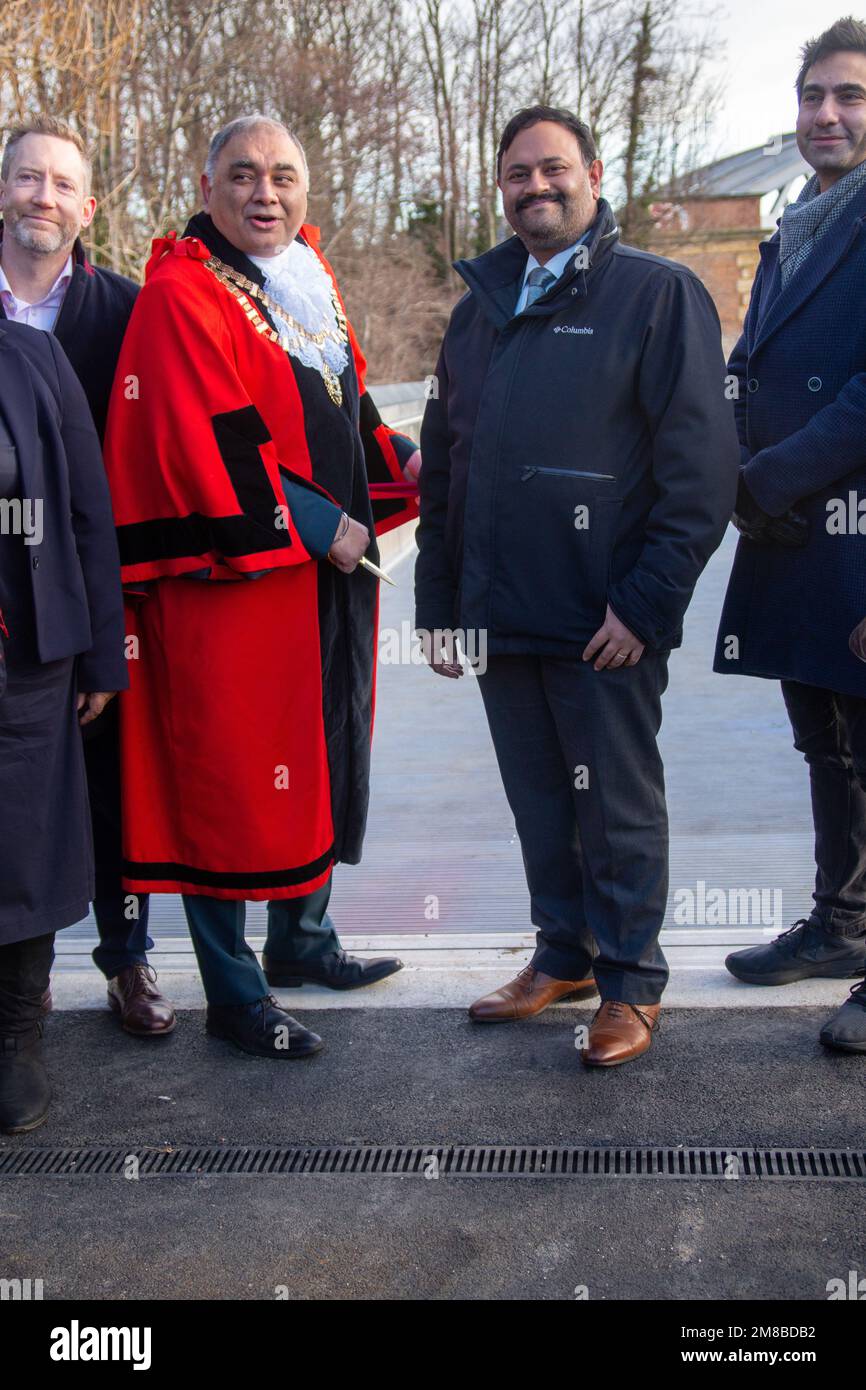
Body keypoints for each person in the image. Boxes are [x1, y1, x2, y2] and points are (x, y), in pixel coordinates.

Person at [415, 105, 739, 1067]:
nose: (535, 187)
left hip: (605, 620)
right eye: (517, 174)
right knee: (540, 800)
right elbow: (447, 465)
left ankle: (632, 982)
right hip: (502, 615)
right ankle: (565, 954)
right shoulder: (479, 309)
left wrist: (645, 604)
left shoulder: (657, 295)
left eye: (553, 169)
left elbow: (702, 472)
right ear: (501, 188)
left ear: (594, 175)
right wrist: (441, 606)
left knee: (616, 805)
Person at [102, 114, 420, 1059]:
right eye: (242, 174)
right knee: (229, 776)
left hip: (320, 582)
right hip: (228, 585)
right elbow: (208, 439)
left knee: (318, 747)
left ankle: (303, 941)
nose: (264, 192)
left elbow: (345, 404)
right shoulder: (180, 293)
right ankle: (235, 994)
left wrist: (410, 460)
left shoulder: (303, 279)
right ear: (208, 189)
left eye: (283, 174)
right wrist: (328, 527)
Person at [0, 115, 175, 1036]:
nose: (44, 199)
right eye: (29, 179)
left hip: (81, 588)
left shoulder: (126, 308)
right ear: (3, 191)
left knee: (110, 784)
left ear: (87, 205)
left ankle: (128, 960)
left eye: (64, 185)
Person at [717, 18, 866, 1054]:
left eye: (849, 96)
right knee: (824, 742)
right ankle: (841, 925)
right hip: (792, 534)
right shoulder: (798, 223)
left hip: (849, 528)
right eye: (812, 95)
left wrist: (762, 474)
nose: (824, 114)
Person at [0, 318, 127, 1132]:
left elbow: (87, 511)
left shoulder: (33, 357)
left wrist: (102, 654)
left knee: (25, 847)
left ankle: (16, 1039)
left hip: (26, 659)